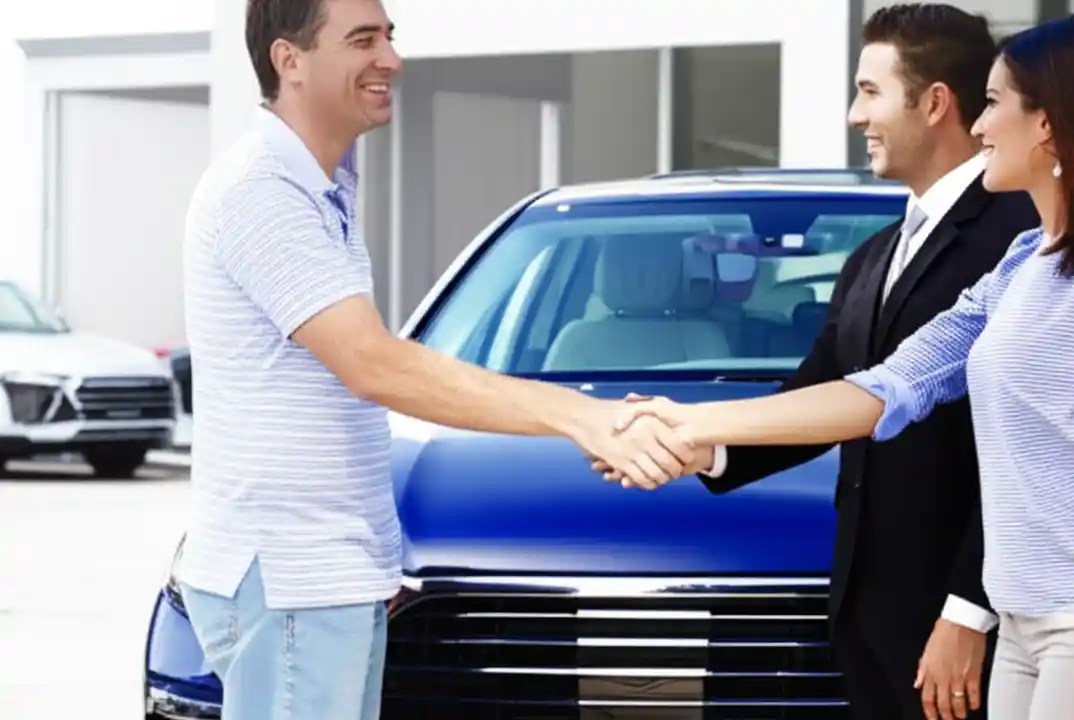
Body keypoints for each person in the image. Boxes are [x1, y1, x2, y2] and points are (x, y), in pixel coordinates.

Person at [612, 13, 1074, 720]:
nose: (979, 126)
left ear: (1048, 124)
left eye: (992, 104)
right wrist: (691, 422)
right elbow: (890, 387)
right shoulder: (1023, 266)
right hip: (1023, 628)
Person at [175, 1, 690, 718]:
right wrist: (584, 417)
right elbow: (374, 366)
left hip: (326, 577)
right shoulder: (264, 193)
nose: (391, 59)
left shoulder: (322, 189)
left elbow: (341, 397)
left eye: (389, 37)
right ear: (288, 60)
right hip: (294, 579)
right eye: (363, 40)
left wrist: (377, 554)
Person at [600, 5, 1037, 718]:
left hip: (963, 630)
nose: (851, 114)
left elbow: (1022, 448)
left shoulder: (1016, 242)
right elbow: (821, 394)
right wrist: (701, 448)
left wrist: (970, 610)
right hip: (869, 619)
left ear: (933, 104)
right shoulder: (873, 257)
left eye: (870, 91)